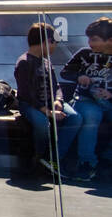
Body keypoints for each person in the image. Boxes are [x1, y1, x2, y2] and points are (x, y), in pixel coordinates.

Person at [16, 22, 83, 177]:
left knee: (75, 118)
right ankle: (39, 157)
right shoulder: (24, 62)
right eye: (55, 43)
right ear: (47, 42)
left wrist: (58, 100)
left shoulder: (46, 62)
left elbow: (55, 85)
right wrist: (47, 111)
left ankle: (54, 158)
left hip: (50, 102)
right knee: (42, 123)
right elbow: (27, 94)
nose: (55, 47)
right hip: (31, 104)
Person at [60, 17, 112, 182]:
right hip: (86, 99)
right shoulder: (84, 54)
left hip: (109, 102)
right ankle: (87, 163)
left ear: (109, 40)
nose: (90, 43)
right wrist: (80, 76)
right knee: (91, 117)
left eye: (94, 39)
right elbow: (65, 72)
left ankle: (107, 160)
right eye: (89, 38)